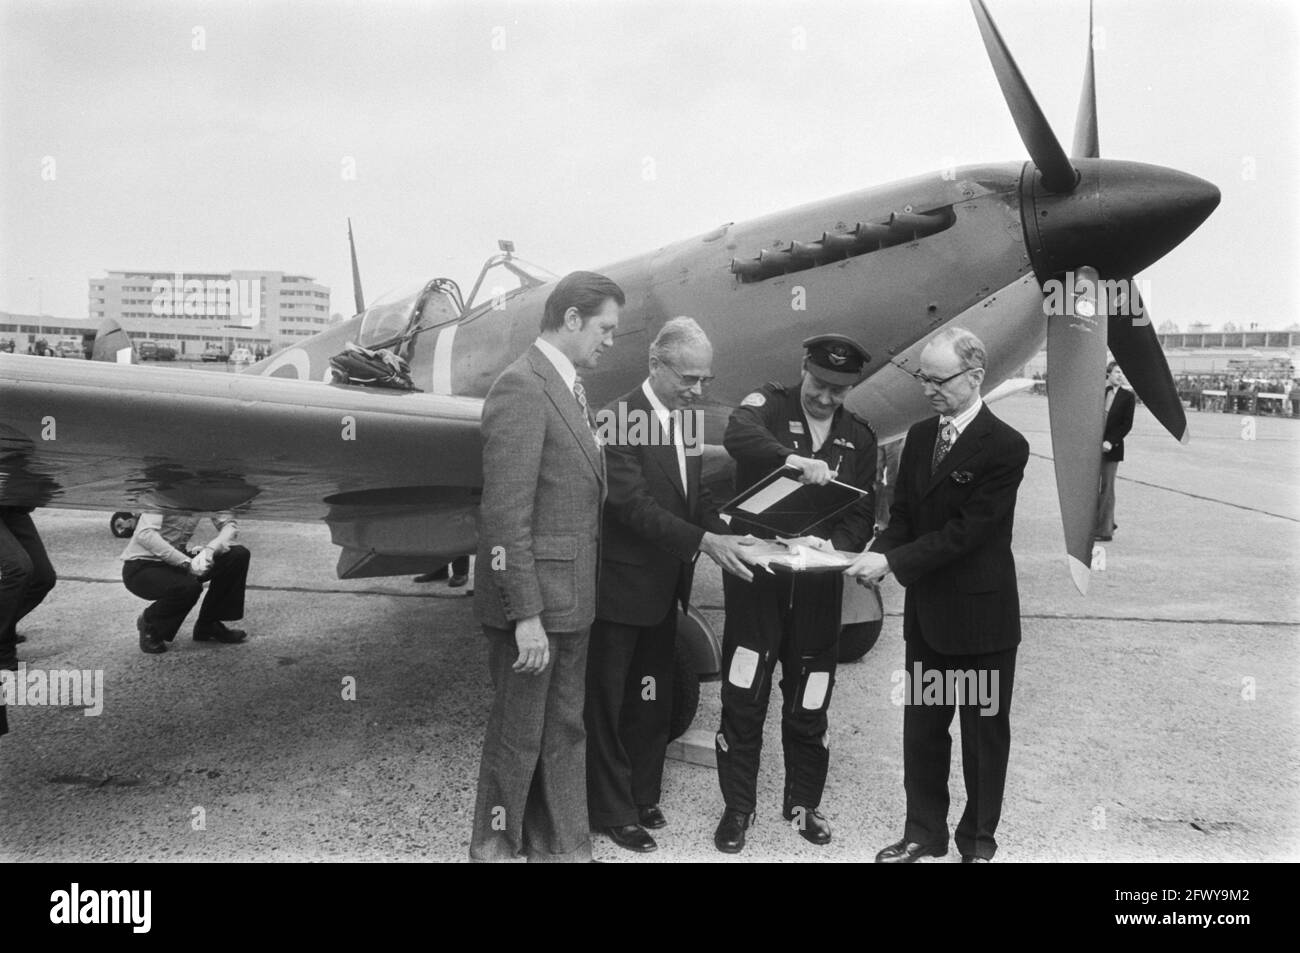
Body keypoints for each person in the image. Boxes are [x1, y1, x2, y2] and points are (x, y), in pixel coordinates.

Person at [845, 327, 1029, 863]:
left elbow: (967, 533)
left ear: (975, 377)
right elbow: (901, 518)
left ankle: (977, 844)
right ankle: (923, 833)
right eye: (922, 377)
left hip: (981, 624)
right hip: (928, 620)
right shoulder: (922, 437)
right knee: (923, 732)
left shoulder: (1006, 447)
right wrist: (871, 554)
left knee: (981, 739)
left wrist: (893, 561)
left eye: (938, 379)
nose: (927, 389)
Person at [468, 270, 624, 863]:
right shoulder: (522, 387)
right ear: (574, 318)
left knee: (563, 732)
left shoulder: (567, 387)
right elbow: (505, 517)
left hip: (570, 597)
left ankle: (563, 850)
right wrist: (524, 616)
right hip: (533, 607)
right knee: (518, 735)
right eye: (605, 328)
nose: (610, 340)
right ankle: (495, 850)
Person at [585, 317, 756, 853]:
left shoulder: (682, 420)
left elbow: (693, 500)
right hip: (621, 587)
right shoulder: (619, 418)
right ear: (655, 364)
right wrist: (704, 542)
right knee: (608, 703)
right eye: (688, 378)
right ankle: (612, 810)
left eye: (704, 379)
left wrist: (735, 533)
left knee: (650, 698)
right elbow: (631, 505)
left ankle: (642, 793)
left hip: (665, 588)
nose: (698, 390)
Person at [713, 334, 877, 853]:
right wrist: (790, 458)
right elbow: (737, 435)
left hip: (815, 589)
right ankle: (739, 808)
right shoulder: (767, 405)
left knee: (809, 702)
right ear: (802, 368)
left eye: (840, 390)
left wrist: (832, 547)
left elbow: (862, 513)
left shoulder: (859, 435)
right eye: (820, 384)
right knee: (743, 698)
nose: (827, 398)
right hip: (757, 585)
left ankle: (803, 805)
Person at [121, 511, 251, 653]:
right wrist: (187, 563)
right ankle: (151, 623)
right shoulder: (162, 493)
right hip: (142, 566)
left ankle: (208, 624)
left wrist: (212, 548)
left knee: (237, 555)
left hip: (176, 561)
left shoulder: (205, 494)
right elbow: (145, 534)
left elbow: (229, 525)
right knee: (189, 588)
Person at [1, 506, 58, 734]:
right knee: (18, 568)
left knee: (42, 578)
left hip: (8, 502)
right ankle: (3, 642)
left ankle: (4, 635)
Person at [1095, 360, 1135, 542]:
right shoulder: (1100, 393)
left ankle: (1105, 531)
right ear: (1108, 375)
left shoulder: (1128, 397)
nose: (1120, 375)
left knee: (1107, 488)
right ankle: (1106, 521)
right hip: (1094, 447)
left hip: (1112, 448)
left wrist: (1111, 441)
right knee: (1091, 488)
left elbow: (1126, 424)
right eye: (1117, 372)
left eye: (1122, 373)